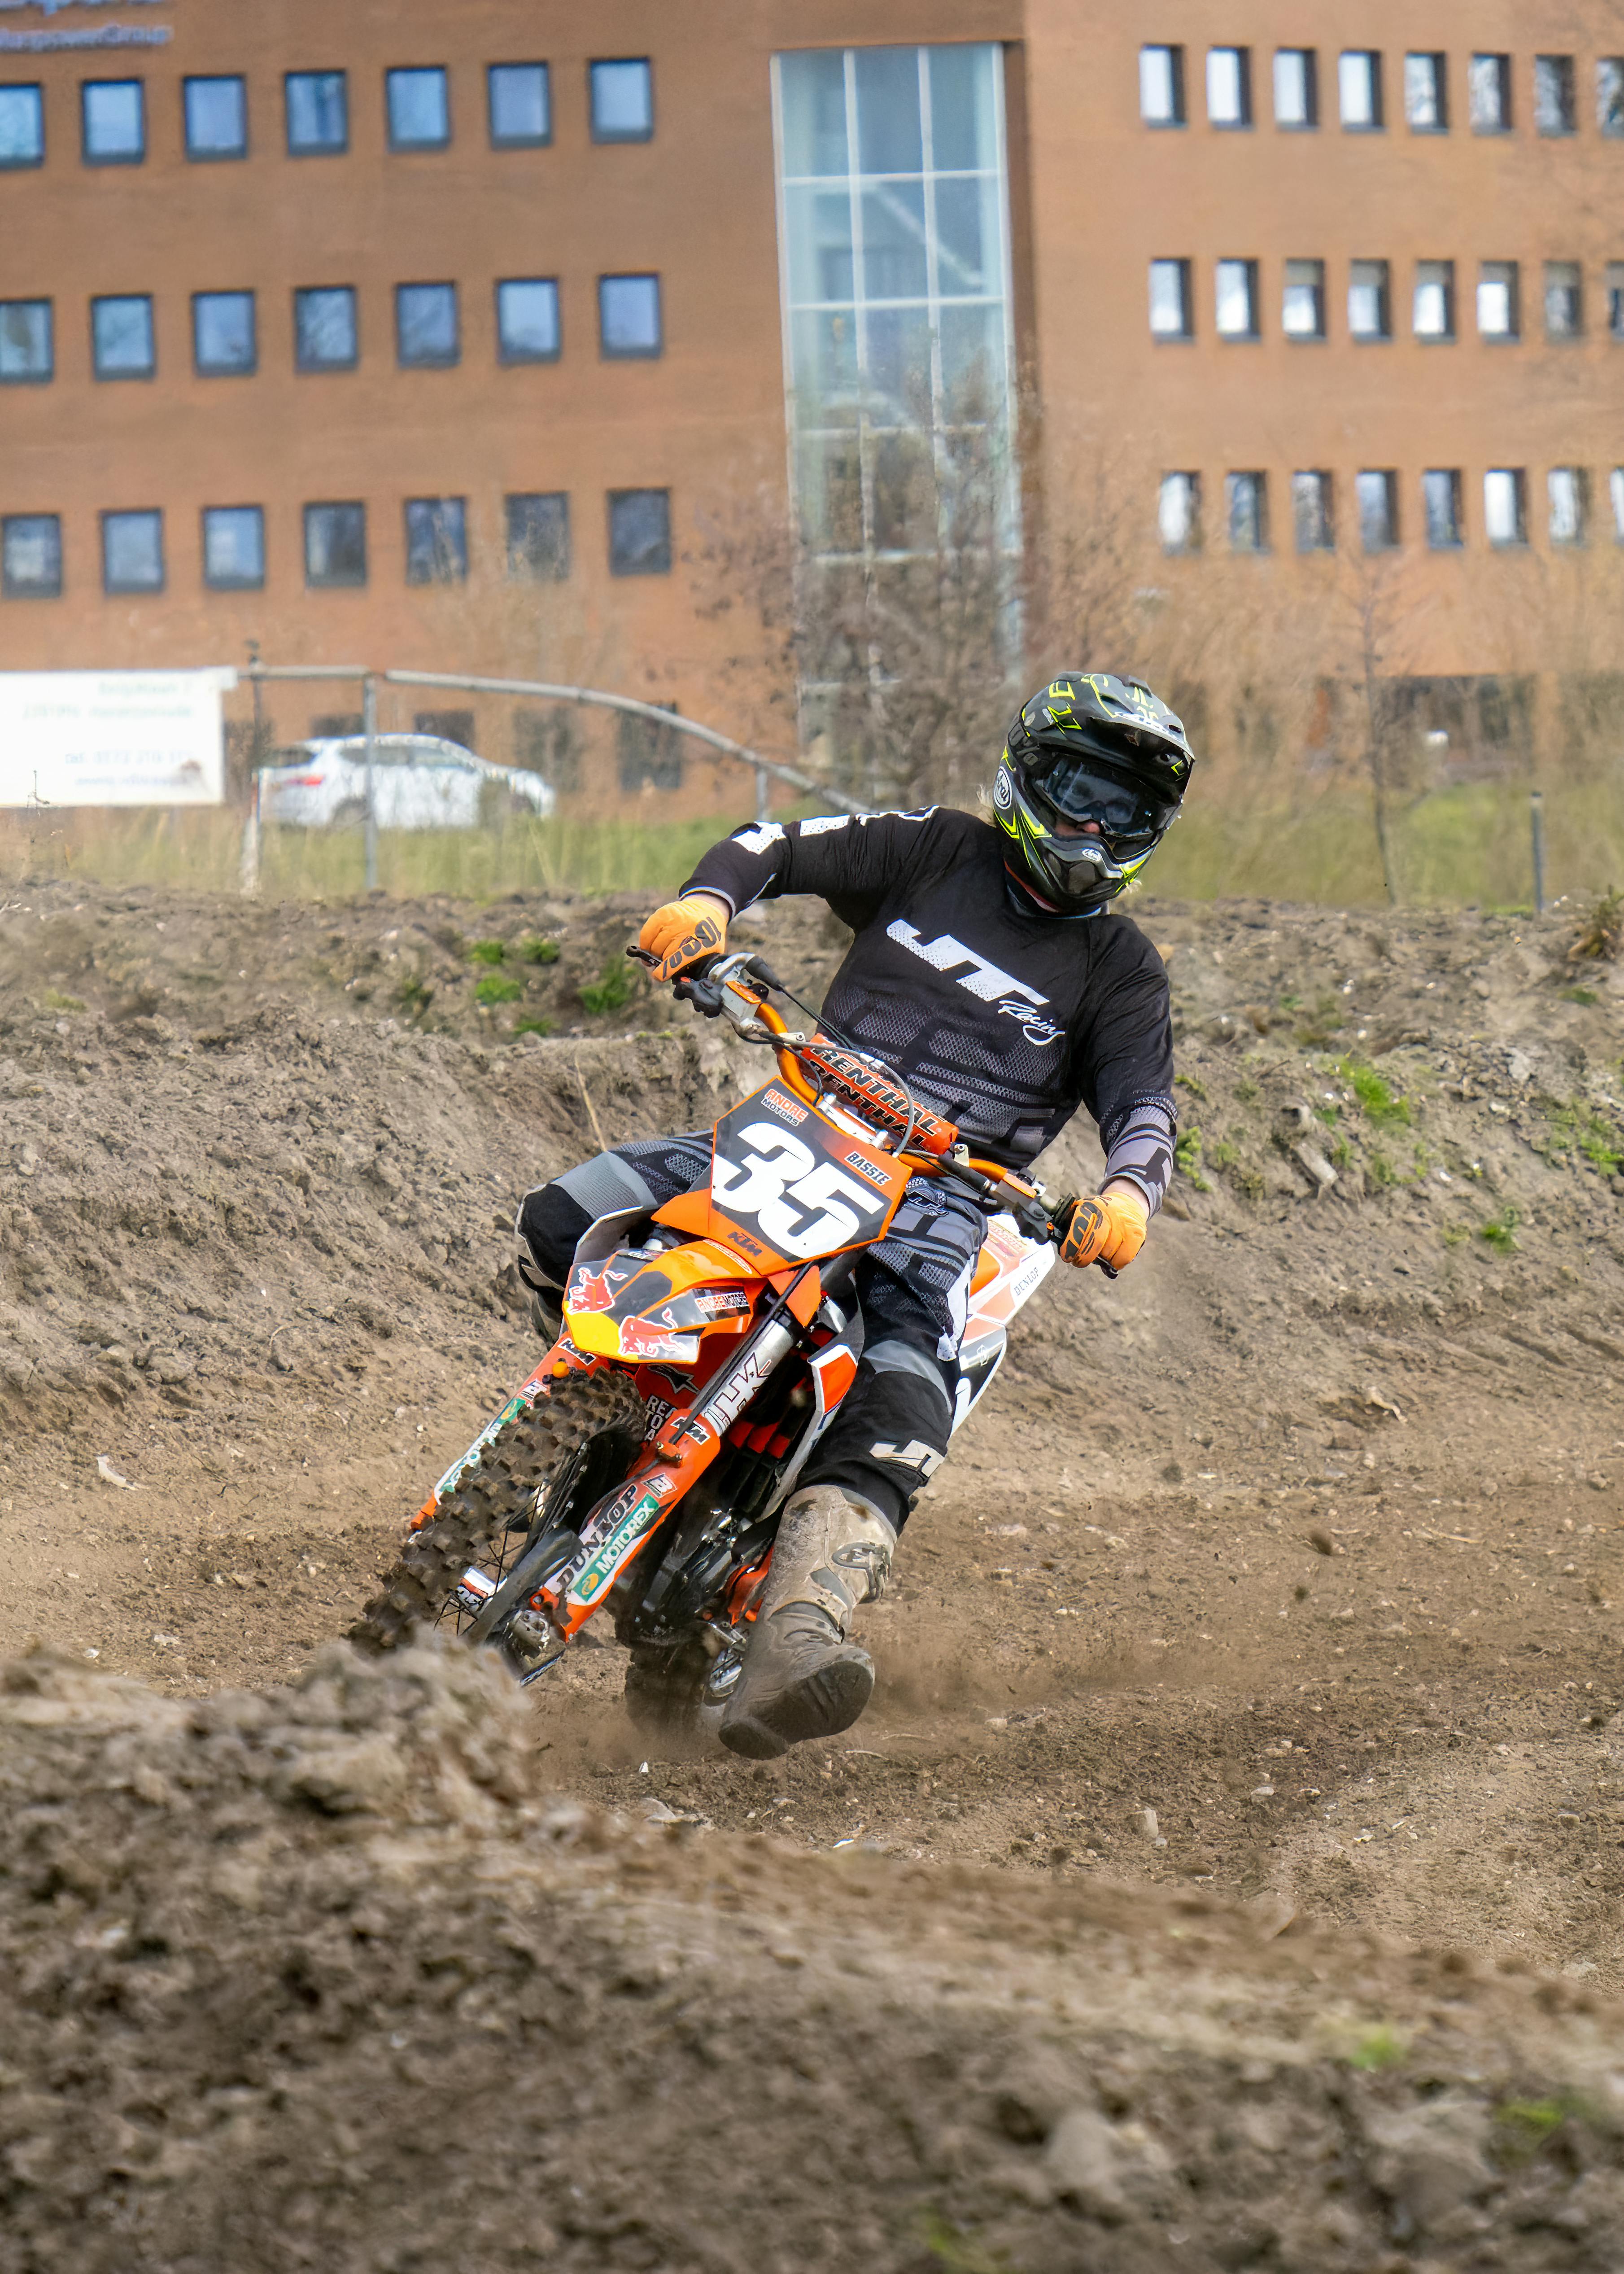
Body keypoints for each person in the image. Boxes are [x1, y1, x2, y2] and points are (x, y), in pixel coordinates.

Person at [517, 672, 1195, 1758]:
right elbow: (773, 842)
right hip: (796, 1122)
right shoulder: (935, 850)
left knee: (906, 1388)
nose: (1092, 824)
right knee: (563, 1216)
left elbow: (1145, 1108)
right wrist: (707, 903)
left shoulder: (1119, 972)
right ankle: (596, 1420)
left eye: (1123, 807)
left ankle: (798, 1627)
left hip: (939, 1200)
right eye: (1076, 787)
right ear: (1027, 772)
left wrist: (1123, 1194)